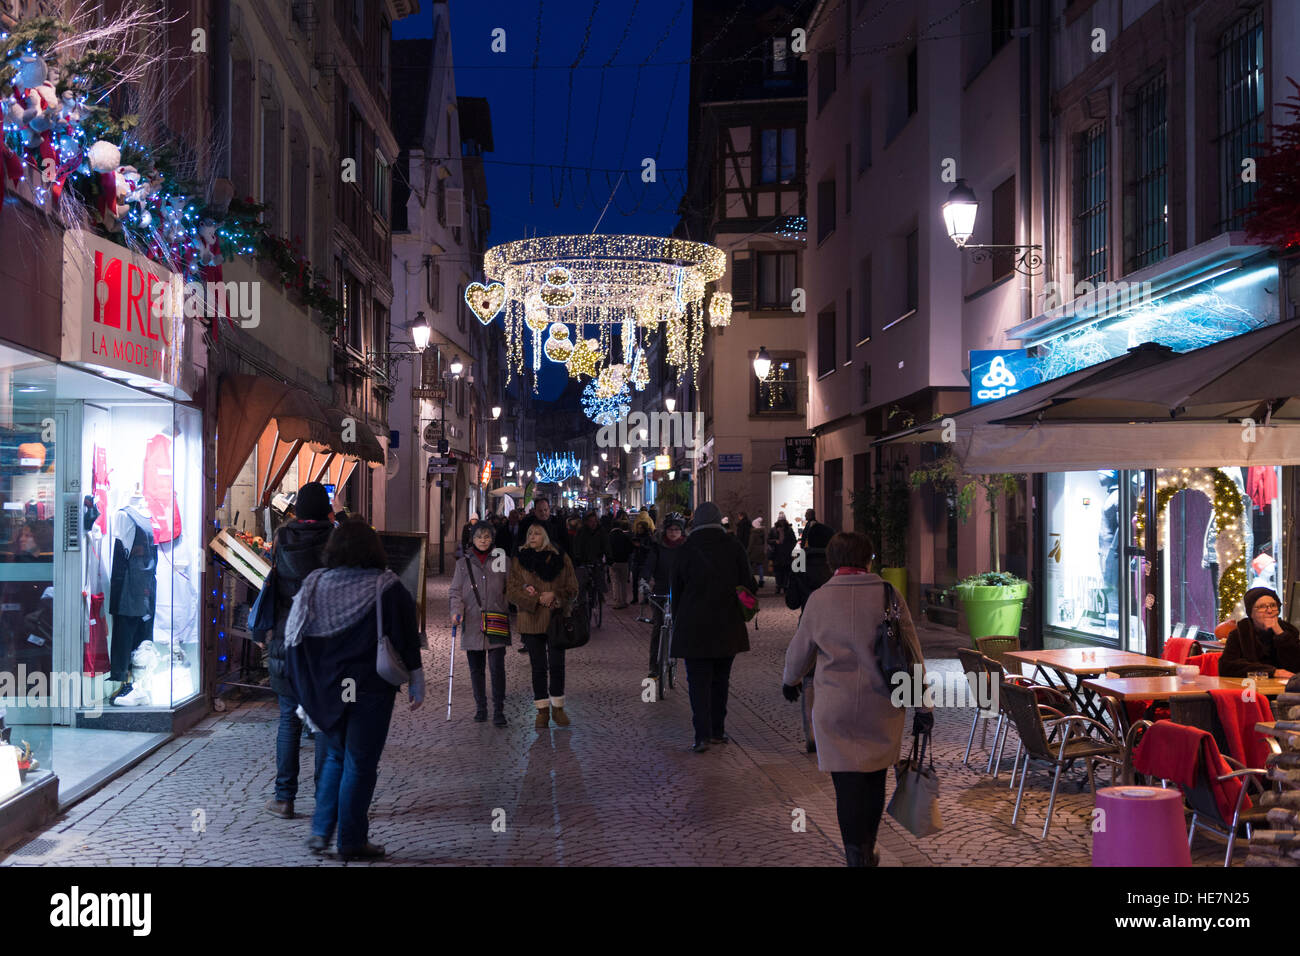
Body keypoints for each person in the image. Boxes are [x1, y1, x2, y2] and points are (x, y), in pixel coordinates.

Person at [781, 532, 930, 867]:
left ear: (833, 561)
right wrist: (924, 704)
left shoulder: (819, 599)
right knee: (874, 779)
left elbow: (800, 649)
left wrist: (789, 681)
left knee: (846, 785)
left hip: (835, 708)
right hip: (882, 706)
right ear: (868, 559)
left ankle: (855, 855)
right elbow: (911, 653)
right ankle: (868, 846)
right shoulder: (888, 594)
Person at [284, 520, 424, 861]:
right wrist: (416, 679)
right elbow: (406, 636)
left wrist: (303, 689)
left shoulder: (315, 584)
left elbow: (295, 638)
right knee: (360, 763)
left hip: (330, 690)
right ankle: (351, 840)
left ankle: (320, 832)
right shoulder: (386, 587)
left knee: (334, 755)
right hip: (369, 690)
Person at [259, 482, 334, 820]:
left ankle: (284, 798)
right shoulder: (336, 539)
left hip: (287, 641)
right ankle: (323, 799)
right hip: (324, 644)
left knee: (288, 720)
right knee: (321, 723)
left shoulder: (282, 538)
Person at [670, 501, 756, 753]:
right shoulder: (733, 546)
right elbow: (748, 582)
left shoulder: (685, 549)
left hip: (693, 627)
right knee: (721, 680)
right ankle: (718, 731)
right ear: (720, 520)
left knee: (697, 682)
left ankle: (701, 735)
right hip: (727, 625)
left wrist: (678, 621)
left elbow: (677, 590)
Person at [507, 523, 579, 729]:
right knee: (538, 667)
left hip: (555, 620)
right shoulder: (520, 560)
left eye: (537, 533)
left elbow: (573, 588)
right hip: (531, 620)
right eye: (530, 533)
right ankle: (542, 710)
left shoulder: (560, 558)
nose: (532, 536)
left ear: (545, 536)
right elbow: (511, 591)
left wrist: (555, 595)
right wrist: (537, 599)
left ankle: (558, 707)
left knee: (557, 665)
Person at [450, 523, 511, 726]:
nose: (483, 540)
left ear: (492, 538)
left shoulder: (502, 560)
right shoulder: (463, 564)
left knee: (497, 668)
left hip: (497, 620)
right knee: (476, 669)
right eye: (479, 536)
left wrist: (507, 602)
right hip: (473, 620)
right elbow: (455, 592)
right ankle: (481, 707)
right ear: (472, 539)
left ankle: (499, 710)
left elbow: (511, 586)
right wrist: (456, 612)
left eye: (487, 536)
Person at [641, 513, 686, 681]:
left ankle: (676, 656)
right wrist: (644, 581)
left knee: (681, 625)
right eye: (670, 529)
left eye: (677, 529)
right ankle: (654, 667)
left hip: (681, 592)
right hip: (660, 590)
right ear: (665, 530)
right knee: (658, 626)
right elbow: (649, 565)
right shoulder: (657, 547)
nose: (673, 532)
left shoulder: (687, 548)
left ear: (681, 531)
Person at [1220, 586, 1300, 679]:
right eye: (1261, 607)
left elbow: (1297, 664)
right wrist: (1272, 672)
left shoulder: (1289, 631)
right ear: (1251, 613)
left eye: (1273, 605)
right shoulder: (1239, 634)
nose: (1269, 611)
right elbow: (1226, 667)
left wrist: (1280, 633)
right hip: (1251, 689)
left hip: (1287, 689)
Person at [630, 511, 655, 604]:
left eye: (641, 528)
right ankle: (635, 597)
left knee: (644, 581)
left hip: (644, 561)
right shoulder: (636, 536)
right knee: (635, 581)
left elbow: (650, 549)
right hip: (636, 560)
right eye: (638, 528)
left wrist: (640, 545)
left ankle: (645, 598)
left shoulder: (648, 537)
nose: (639, 529)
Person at [608, 518, 633, 608]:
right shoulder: (624, 536)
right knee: (623, 582)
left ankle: (617, 601)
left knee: (615, 582)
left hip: (613, 562)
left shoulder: (609, 536)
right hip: (624, 562)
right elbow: (631, 548)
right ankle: (624, 601)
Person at [772, 514, 796, 594]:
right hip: (777, 554)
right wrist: (775, 541)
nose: (781, 522)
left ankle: (785, 586)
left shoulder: (789, 530)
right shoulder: (774, 530)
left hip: (786, 554)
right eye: (780, 520)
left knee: (786, 571)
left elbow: (794, 540)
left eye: (783, 520)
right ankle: (778, 586)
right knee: (778, 571)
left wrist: (789, 548)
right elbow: (768, 540)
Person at [747, 516, 767, 589]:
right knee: (760, 566)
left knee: (751, 566)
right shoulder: (762, 532)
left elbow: (751, 544)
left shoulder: (753, 533)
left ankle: (751, 580)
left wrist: (748, 552)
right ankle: (761, 580)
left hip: (754, 551)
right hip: (761, 551)